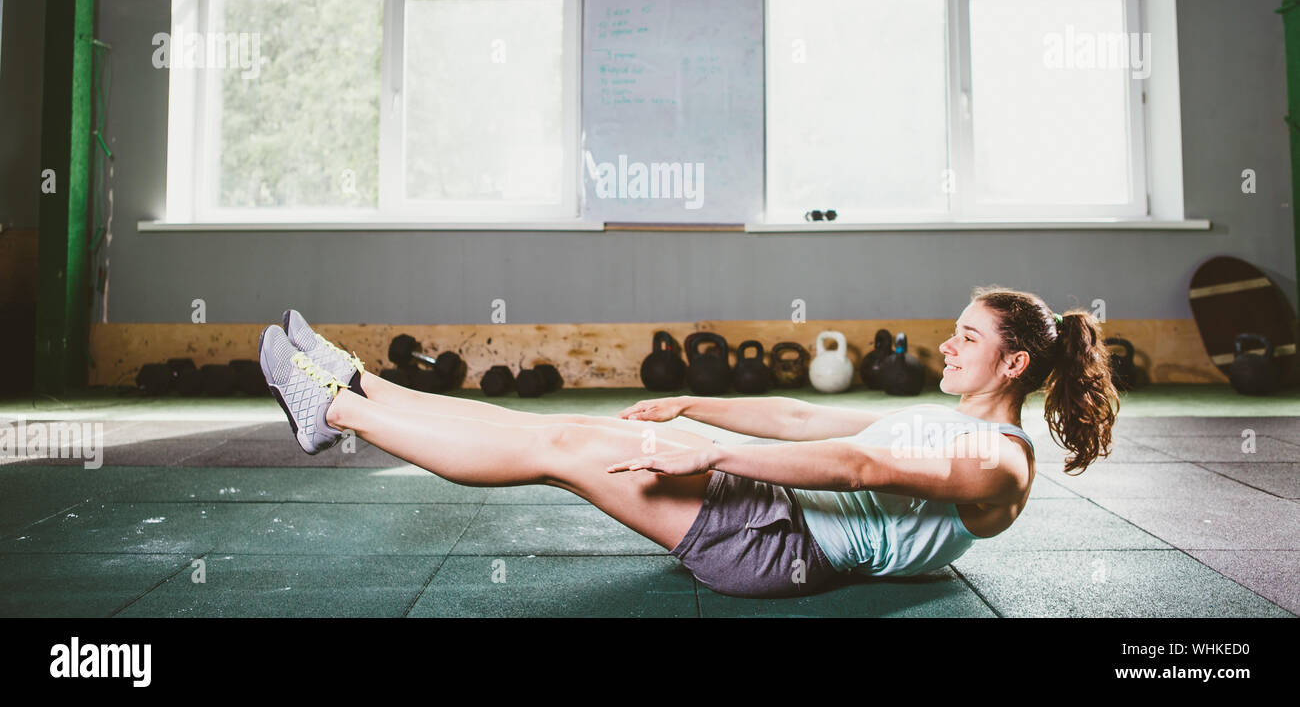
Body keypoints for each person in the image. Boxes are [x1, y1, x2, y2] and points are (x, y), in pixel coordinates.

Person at [257, 285, 1120, 599]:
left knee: (559, 453)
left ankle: (331, 415)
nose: (946, 344)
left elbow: (856, 465)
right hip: (779, 509)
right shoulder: (951, 421)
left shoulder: (995, 460)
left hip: (778, 547)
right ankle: (365, 385)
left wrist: (706, 453)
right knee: (559, 428)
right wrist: (695, 404)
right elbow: (799, 422)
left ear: (1010, 362)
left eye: (966, 337)